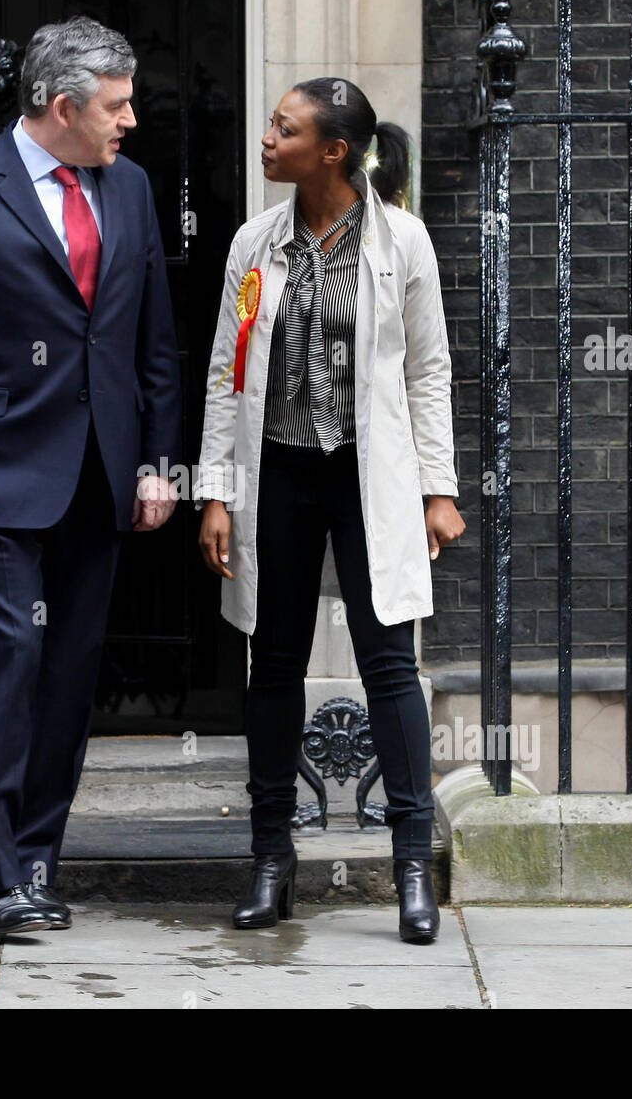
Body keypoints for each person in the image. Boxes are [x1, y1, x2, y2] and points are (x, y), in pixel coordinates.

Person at [0, 17, 181, 936]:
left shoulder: (130, 188)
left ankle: (41, 853)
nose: (132, 119)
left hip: (101, 474)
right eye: (118, 104)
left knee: (70, 669)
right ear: (63, 107)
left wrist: (162, 461)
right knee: (10, 656)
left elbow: (153, 343)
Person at [195, 78, 466, 943]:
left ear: (334, 152)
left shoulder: (403, 243)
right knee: (271, 662)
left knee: (389, 661)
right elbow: (226, 373)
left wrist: (439, 487)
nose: (267, 138)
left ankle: (411, 865)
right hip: (275, 470)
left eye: (285, 129)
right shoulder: (254, 242)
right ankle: (271, 859)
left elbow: (428, 370)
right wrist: (216, 491)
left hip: (366, 474)